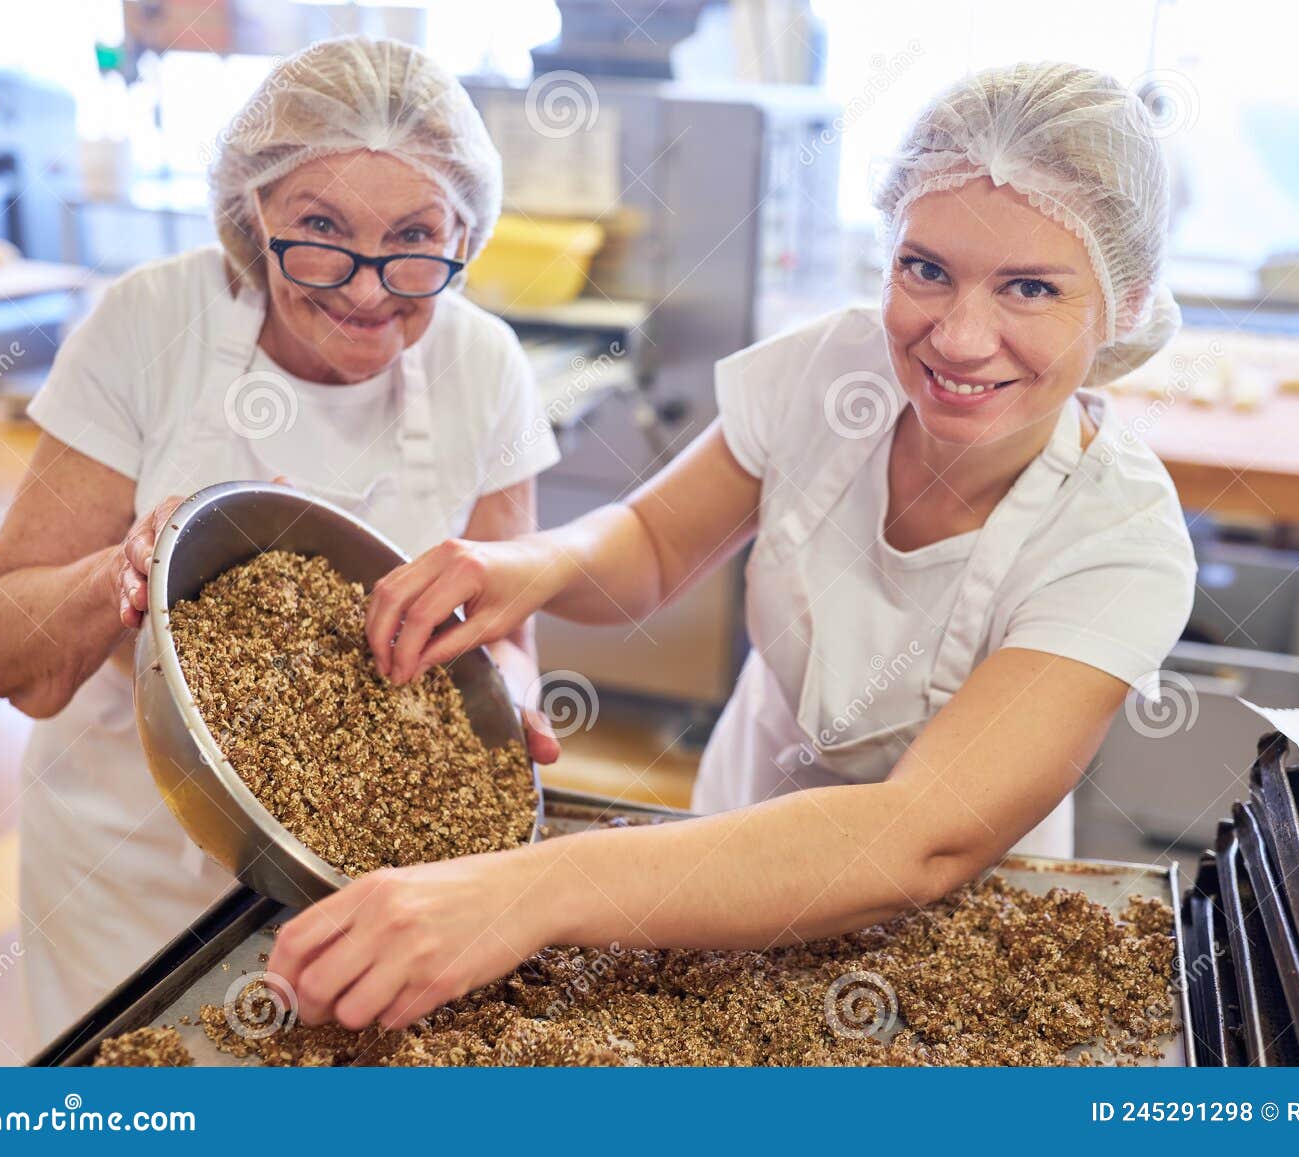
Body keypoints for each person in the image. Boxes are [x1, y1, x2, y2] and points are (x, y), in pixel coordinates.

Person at [265, 62, 1200, 1034]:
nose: (960, 338)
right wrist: (527, 565)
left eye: (1030, 288)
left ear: (1124, 303)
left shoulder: (1116, 540)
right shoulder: (834, 369)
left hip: (949, 946)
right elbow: (654, 540)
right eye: (925, 268)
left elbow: (917, 839)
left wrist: (527, 889)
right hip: (708, 871)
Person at [0, 37, 561, 1044]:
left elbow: (506, 640)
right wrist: (125, 570)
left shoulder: (483, 364)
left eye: (414, 237)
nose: (368, 289)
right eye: (319, 228)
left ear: (468, 230)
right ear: (254, 211)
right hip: (124, 868)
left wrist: (512, 717)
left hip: (358, 885)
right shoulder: (154, 321)